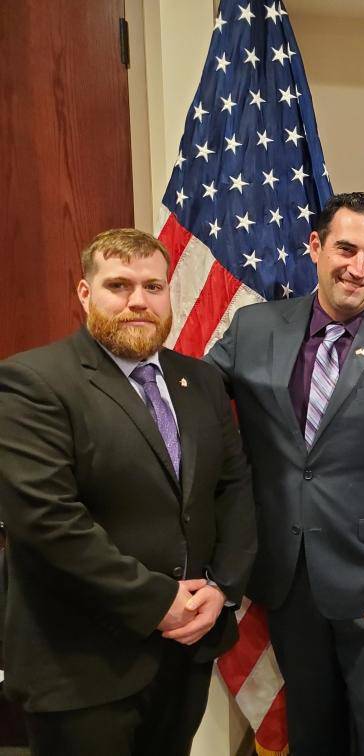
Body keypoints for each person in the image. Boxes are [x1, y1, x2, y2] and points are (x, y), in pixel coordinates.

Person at [205, 191, 364, 756]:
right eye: (345, 249)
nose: (357, 267)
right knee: (310, 723)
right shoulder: (254, 327)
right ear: (316, 247)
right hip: (287, 572)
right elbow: (196, 398)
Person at [0, 229, 256, 756]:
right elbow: (47, 522)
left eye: (153, 286)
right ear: (85, 292)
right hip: (81, 665)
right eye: (119, 285)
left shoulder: (201, 381)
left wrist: (222, 587)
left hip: (184, 654)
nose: (139, 301)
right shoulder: (31, 381)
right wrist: (158, 601)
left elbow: (233, 490)